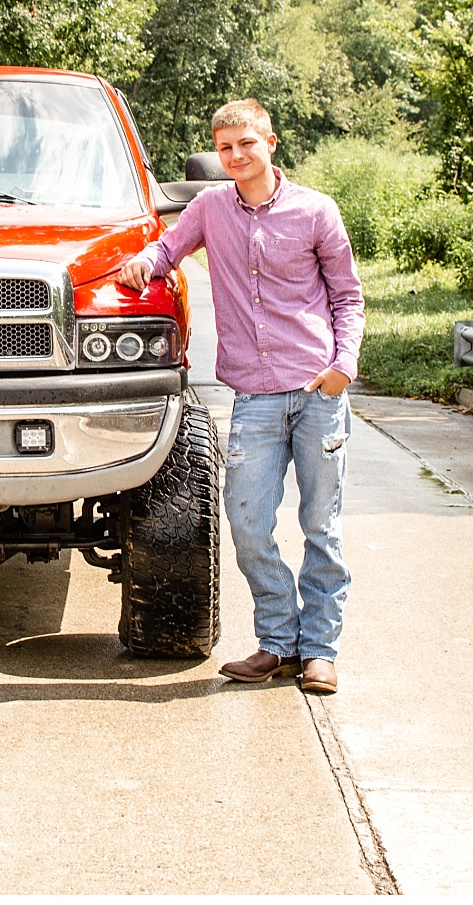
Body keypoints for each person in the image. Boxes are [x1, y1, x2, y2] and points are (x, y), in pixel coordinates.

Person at [117, 99, 364, 694]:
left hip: (316, 394)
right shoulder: (210, 208)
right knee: (249, 524)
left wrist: (342, 368)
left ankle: (320, 651)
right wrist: (140, 264)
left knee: (319, 527)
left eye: (246, 144)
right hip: (253, 399)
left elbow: (348, 298)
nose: (235, 156)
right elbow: (167, 250)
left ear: (270, 143)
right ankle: (278, 642)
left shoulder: (315, 212)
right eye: (225, 147)